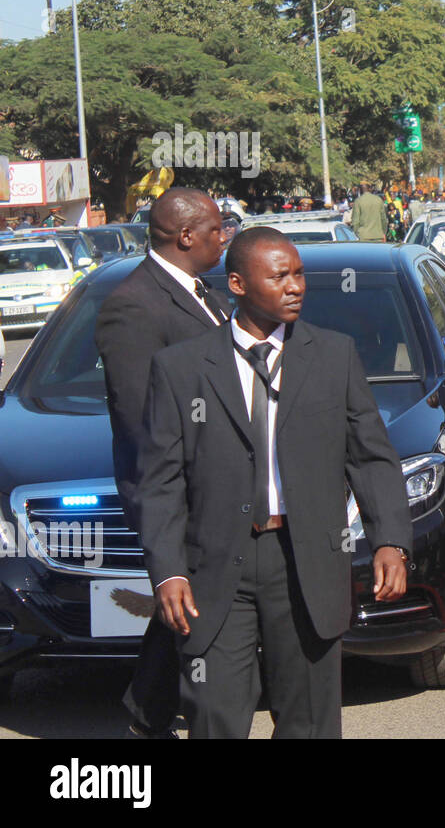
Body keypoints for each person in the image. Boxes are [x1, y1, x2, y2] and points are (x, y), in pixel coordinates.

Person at [134, 228, 412, 737]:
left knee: (308, 719)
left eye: (299, 273)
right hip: (215, 572)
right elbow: (160, 482)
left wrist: (390, 538)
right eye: (279, 275)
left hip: (305, 563)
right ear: (237, 283)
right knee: (214, 715)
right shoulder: (181, 369)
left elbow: (371, 457)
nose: (295, 286)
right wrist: (167, 571)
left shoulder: (334, 356)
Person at [95, 188, 231, 739]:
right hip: (176, 486)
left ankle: (147, 715)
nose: (226, 238)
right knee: (194, 598)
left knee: (192, 603)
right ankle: (153, 716)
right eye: (219, 229)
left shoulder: (206, 295)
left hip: (217, 482)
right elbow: (140, 417)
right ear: (186, 237)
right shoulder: (134, 304)